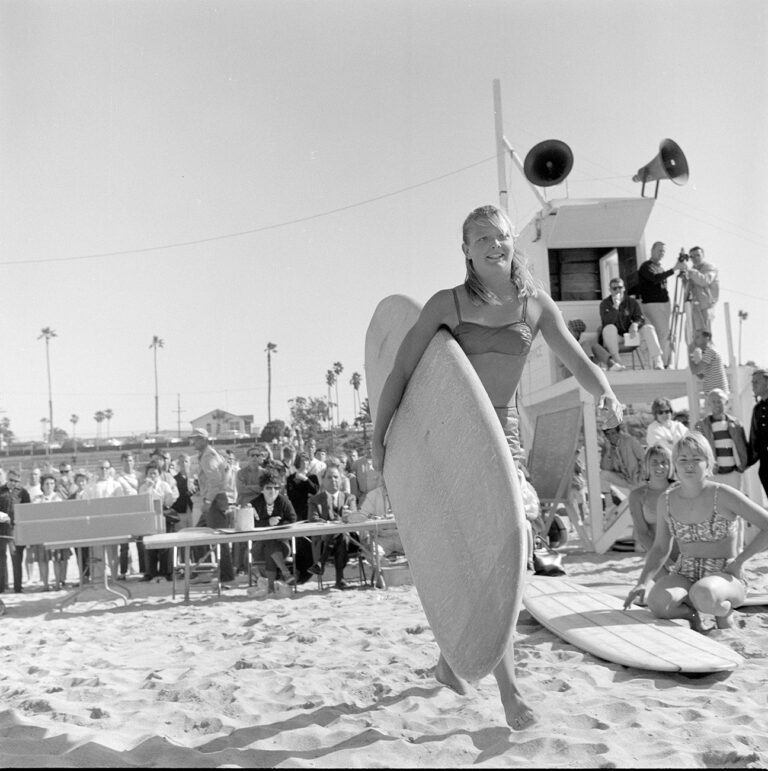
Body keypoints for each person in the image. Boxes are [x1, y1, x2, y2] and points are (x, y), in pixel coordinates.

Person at [372, 204, 623, 730]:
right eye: (481, 237)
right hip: (449, 433)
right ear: (465, 250)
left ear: (514, 242)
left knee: (509, 547)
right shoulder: (448, 304)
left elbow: (578, 359)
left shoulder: (535, 306)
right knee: (495, 545)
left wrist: (607, 395)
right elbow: (399, 370)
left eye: (501, 235)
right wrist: (381, 436)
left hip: (502, 435)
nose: (493, 244)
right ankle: (510, 694)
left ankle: (454, 656)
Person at [624, 432, 768, 632]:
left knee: (704, 593)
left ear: (708, 463)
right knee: (658, 602)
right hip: (685, 571)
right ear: (675, 463)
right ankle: (692, 617)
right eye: (682, 459)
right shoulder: (666, 500)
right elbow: (659, 547)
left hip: (725, 573)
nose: (689, 465)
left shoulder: (723, 494)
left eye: (696, 459)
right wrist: (641, 582)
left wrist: (739, 562)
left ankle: (725, 613)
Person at [189, 427, 236, 584]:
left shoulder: (208, 456)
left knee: (218, 539)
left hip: (215, 501)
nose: (193, 441)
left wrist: (208, 501)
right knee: (197, 535)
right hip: (214, 499)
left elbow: (215, 482)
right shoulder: (207, 455)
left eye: (196, 439)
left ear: (203, 439)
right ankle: (207, 572)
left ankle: (226, 576)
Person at [307, 460, 358, 590]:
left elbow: (354, 517)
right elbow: (313, 519)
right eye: (329, 477)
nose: (333, 480)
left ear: (341, 480)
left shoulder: (349, 497)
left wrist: (345, 518)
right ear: (323, 481)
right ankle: (340, 579)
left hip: (351, 542)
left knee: (342, 535)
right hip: (324, 541)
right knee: (340, 536)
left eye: (336, 477)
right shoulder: (315, 500)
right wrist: (334, 523)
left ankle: (321, 563)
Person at [637, 241, 687, 367]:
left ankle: (663, 361)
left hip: (664, 303)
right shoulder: (646, 266)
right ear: (652, 250)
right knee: (662, 332)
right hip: (653, 304)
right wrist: (674, 269)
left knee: (664, 333)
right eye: (659, 250)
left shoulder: (660, 267)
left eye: (663, 251)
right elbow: (655, 278)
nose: (661, 253)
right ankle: (662, 362)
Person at [598, 277, 665, 370]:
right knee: (609, 328)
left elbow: (640, 317)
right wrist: (615, 307)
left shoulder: (631, 302)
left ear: (624, 288)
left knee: (648, 328)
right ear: (610, 290)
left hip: (631, 335)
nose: (618, 290)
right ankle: (618, 362)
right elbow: (606, 322)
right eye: (614, 288)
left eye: (620, 287)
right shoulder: (605, 304)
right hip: (616, 338)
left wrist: (635, 324)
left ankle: (658, 362)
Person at [250, 466, 297, 594]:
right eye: (269, 488)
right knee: (268, 540)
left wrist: (278, 525)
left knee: (270, 543)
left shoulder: (284, 501)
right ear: (262, 490)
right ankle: (285, 572)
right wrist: (267, 523)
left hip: (282, 544)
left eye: (276, 488)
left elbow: (293, 519)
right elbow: (250, 524)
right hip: (258, 547)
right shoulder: (254, 504)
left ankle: (270, 587)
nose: (273, 491)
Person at [694, 388, 749, 491]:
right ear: (708, 404)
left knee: (734, 502)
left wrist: (742, 466)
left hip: (733, 473)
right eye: (713, 402)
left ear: (726, 402)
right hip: (713, 474)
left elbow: (743, 446)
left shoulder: (736, 423)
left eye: (719, 401)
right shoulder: (701, 425)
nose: (717, 404)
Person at [627, 444, 676, 555]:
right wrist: (664, 561)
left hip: (686, 554)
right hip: (656, 553)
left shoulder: (680, 489)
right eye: (654, 462)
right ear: (646, 466)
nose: (660, 467)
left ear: (670, 465)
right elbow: (642, 534)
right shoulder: (637, 495)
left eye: (664, 462)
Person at [139, 461, 179, 581]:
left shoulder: (164, 485)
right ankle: (151, 572)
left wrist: (155, 490)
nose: (152, 476)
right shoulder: (143, 487)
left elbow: (168, 502)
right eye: (150, 473)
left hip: (163, 516)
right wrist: (149, 488)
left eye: (155, 473)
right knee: (149, 545)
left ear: (159, 474)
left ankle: (166, 572)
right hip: (149, 517)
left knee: (165, 546)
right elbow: (143, 502)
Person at [285, 452, 320, 584]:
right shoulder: (291, 478)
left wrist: (305, 480)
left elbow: (315, 490)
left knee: (309, 542)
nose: (305, 462)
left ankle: (308, 572)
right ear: (297, 462)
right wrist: (297, 481)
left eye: (307, 460)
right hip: (296, 512)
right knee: (299, 543)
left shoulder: (312, 477)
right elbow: (291, 495)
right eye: (302, 460)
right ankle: (298, 571)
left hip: (310, 511)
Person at [1, 469, 31, 593]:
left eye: (16, 481)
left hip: (16, 529)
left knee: (16, 558)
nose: (13, 483)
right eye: (11, 480)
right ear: (7, 478)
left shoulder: (23, 492)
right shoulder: (0, 491)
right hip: (2, 529)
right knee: (1, 558)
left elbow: (28, 510)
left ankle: (17, 587)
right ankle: (2, 586)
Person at [679, 245, 718, 337]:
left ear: (703, 255)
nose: (695, 258)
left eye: (697, 255)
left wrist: (689, 271)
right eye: (692, 256)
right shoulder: (692, 270)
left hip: (705, 307)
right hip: (694, 308)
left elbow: (704, 281)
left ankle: (709, 352)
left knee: (706, 339)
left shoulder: (710, 267)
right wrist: (684, 278)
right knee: (692, 338)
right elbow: (689, 288)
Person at [600, 423, 645, 498]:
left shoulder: (631, 441)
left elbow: (644, 459)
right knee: (603, 474)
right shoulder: (607, 446)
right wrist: (608, 452)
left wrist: (640, 477)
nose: (611, 436)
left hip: (638, 479)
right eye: (608, 434)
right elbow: (605, 468)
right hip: (625, 479)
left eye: (613, 433)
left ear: (618, 432)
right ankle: (609, 504)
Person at [747, 368, 768, 500]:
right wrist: (746, 462)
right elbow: (754, 437)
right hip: (766, 464)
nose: (753, 385)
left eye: (757, 382)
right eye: (752, 382)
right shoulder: (758, 409)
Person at [689, 329, 728, 398]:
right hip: (712, 394)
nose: (694, 340)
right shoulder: (705, 353)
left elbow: (694, 370)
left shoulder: (710, 351)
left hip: (718, 394)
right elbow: (701, 376)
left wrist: (690, 353)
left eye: (697, 337)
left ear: (707, 338)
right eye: (693, 337)